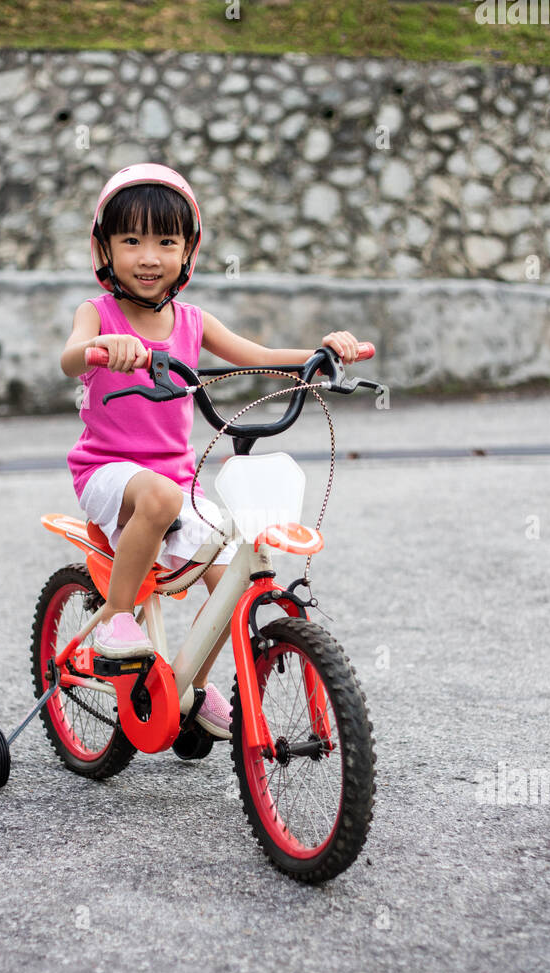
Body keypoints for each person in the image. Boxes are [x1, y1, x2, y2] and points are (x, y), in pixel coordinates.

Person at [61, 163, 362, 739]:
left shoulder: (193, 321)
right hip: (108, 473)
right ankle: (116, 621)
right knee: (159, 495)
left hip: (178, 481)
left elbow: (260, 354)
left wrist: (323, 353)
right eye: (131, 241)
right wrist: (103, 347)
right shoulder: (96, 315)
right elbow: (70, 358)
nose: (149, 256)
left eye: (165, 242)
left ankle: (188, 686)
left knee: (233, 580)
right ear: (104, 249)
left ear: (187, 253)